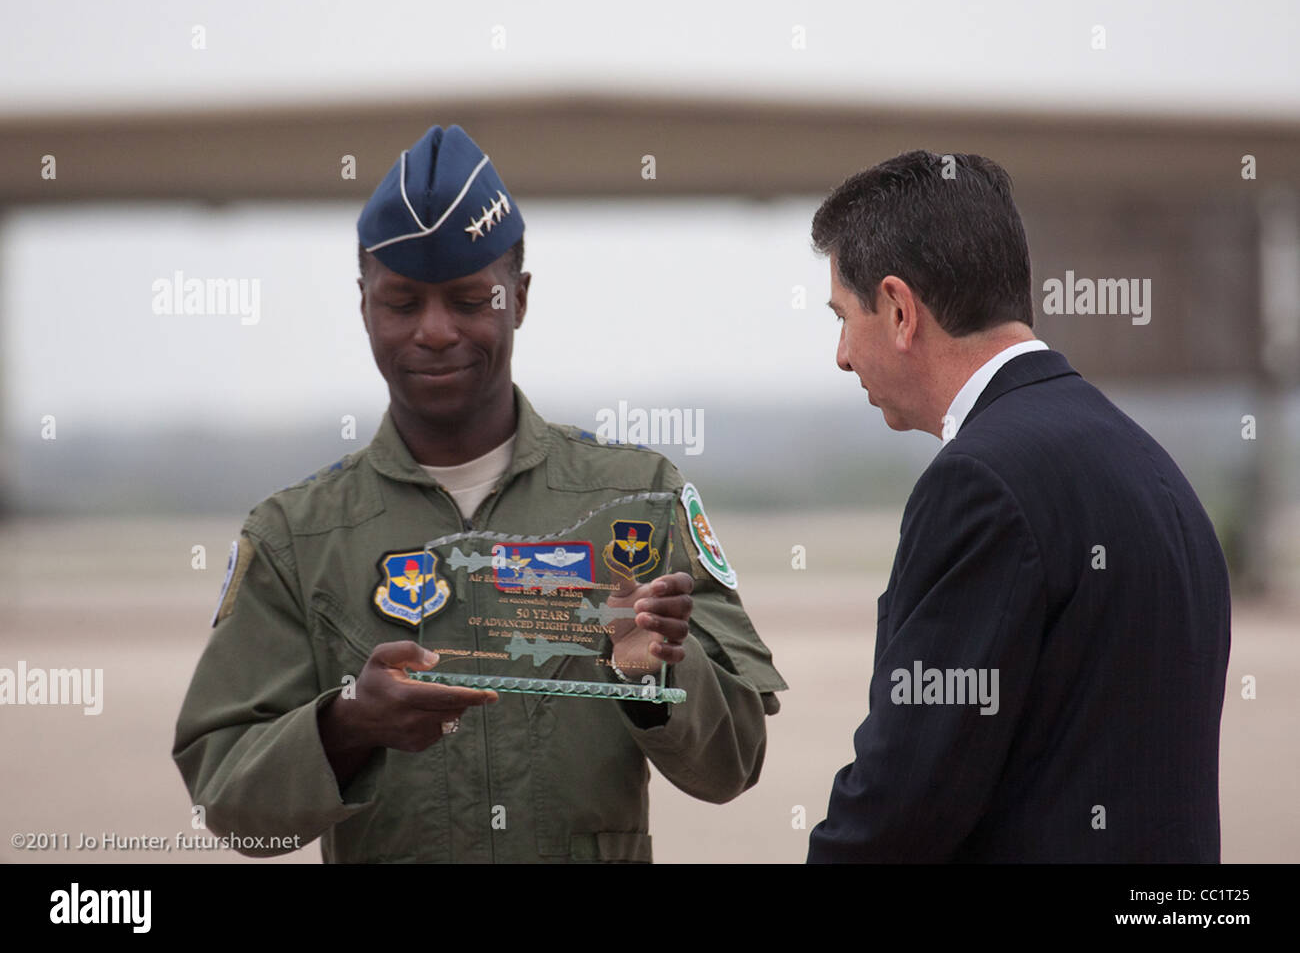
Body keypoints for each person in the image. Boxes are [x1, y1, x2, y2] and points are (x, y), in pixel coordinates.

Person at [172, 124, 786, 863]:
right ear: (363, 304)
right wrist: (347, 724)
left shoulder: (639, 502)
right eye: (402, 303)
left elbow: (735, 765)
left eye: (468, 300)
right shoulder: (295, 536)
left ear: (518, 298)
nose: (435, 332)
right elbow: (231, 809)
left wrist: (650, 672)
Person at [805, 151, 1230, 862]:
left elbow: (903, 802)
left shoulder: (978, 484)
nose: (842, 355)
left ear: (902, 311)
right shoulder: (1150, 466)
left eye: (844, 317)